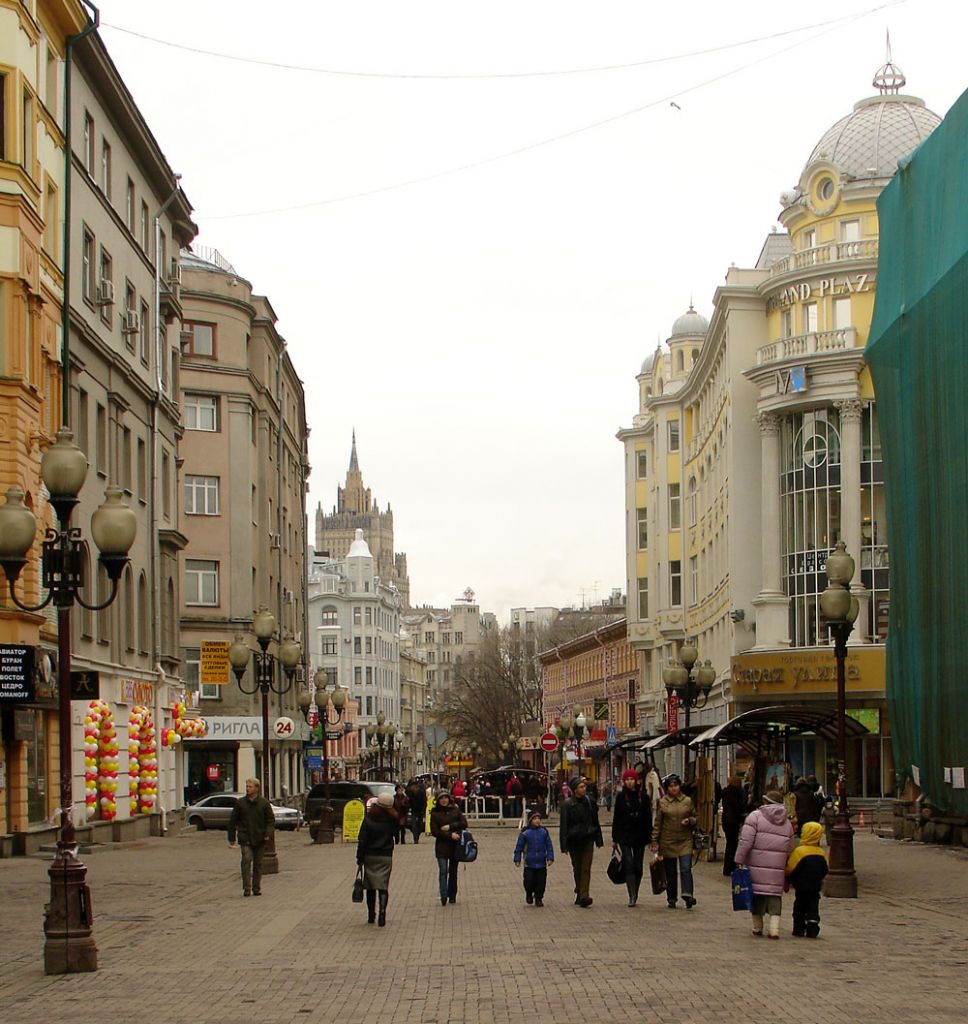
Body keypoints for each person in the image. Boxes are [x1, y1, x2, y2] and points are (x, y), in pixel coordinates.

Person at [735, 790, 795, 939]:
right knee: (774, 895)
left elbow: (745, 842)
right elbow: (790, 846)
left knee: (757, 894)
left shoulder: (755, 817)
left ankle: (757, 927)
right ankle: (774, 929)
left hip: (756, 864)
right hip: (777, 866)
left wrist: (739, 859)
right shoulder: (787, 822)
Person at [651, 774, 697, 910]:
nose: (674, 789)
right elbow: (658, 823)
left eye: (676, 785)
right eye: (671, 786)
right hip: (668, 841)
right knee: (671, 871)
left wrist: (690, 821)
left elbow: (695, 816)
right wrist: (654, 840)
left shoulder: (687, 801)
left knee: (685, 868)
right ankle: (671, 897)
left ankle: (688, 895)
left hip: (685, 840)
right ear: (667, 788)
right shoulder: (663, 802)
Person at [559, 777, 604, 907]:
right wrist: (564, 845)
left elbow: (595, 821)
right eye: (581, 787)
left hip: (587, 839)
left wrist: (598, 839)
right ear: (574, 790)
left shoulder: (589, 801)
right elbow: (564, 826)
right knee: (577, 868)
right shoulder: (567, 805)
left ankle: (584, 895)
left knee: (586, 868)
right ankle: (579, 891)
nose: (584, 789)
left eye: (584, 786)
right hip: (573, 840)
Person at [611, 768, 652, 907]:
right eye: (627, 780)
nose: (629, 782)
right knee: (628, 863)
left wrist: (650, 837)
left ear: (636, 780)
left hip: (640, 836)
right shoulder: (621, 797)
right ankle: (632, 895)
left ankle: (636, 890)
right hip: (624, 835)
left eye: (631, 779)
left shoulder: (644, 797)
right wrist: (614, 838)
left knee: (638, 866)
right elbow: (616, 818)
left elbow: (648, 818)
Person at [227, 778, 275, 897]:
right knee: (246, 860)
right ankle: (247, 887)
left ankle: (256, 887)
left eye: (250, 786)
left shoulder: (264, 803)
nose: (248, 789)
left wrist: (268, 834)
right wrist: (231, 837)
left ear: (257, 788)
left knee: (258, 864)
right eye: (247, 786)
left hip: (260, 837)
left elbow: (270, 821)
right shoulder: (240, 803)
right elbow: (233, 821)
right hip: (245, 837)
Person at [356, 791, 398, 926]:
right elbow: (396, 835)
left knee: (370, 886)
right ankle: (382, 913)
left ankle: (371, 915)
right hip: (385, 856)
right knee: (383, 886)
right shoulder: (392, 820)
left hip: (370, 856)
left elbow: (362, 840)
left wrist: (359, 857)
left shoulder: (369, 819)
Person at [786, 820, 829, 938]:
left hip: (801, 886)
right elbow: (825, 869)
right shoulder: (821, 852)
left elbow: (790, 868)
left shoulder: (799, 852)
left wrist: (788, 878)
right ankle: (812, 926)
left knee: (799, 906)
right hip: (815, 886)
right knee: (813, 907)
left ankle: (798, 928)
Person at [429, 790, 467, 905]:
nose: (444, 800)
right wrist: (450, 835)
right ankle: (443, 894)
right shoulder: (435, 813)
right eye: (441, 798)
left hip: (455, 846)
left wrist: (451, 826)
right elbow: (435, 831)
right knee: (443, 871)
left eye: (445, 798)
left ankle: (452, 895)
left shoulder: (455, 810)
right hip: (442, 846)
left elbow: (464, 823)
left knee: (453, 872)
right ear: (438, 800)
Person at [514, 810, 554, 905]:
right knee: (529, 881)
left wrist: (550, 857)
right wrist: (517, 859)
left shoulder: (544, 832)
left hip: (541, 863)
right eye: (535, 819)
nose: (537, 821)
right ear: (530, 820)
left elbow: (549, 845)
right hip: (529, 863)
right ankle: (529, 893)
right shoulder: (525, 833)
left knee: (541, 882)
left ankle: (538, 898)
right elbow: (519, 847)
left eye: (539, 819)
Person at [721, 775, 747, 876]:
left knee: (730, 844)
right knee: (731, 845)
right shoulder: (733, 793)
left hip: (727, 821)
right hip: (732, 821)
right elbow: (738, 806)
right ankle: (729, 867)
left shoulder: (727, 792)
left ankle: (729, 866)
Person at [407, 779, 427, 843]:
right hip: (413, 811)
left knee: (420, 825)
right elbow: (408, 802)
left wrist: (423, 811)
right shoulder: (409, 793)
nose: (412, 787)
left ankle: (417, 835)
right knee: (414, 825)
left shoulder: (421, 792)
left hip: (420, 810)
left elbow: (424, 802)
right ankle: (415, 838)